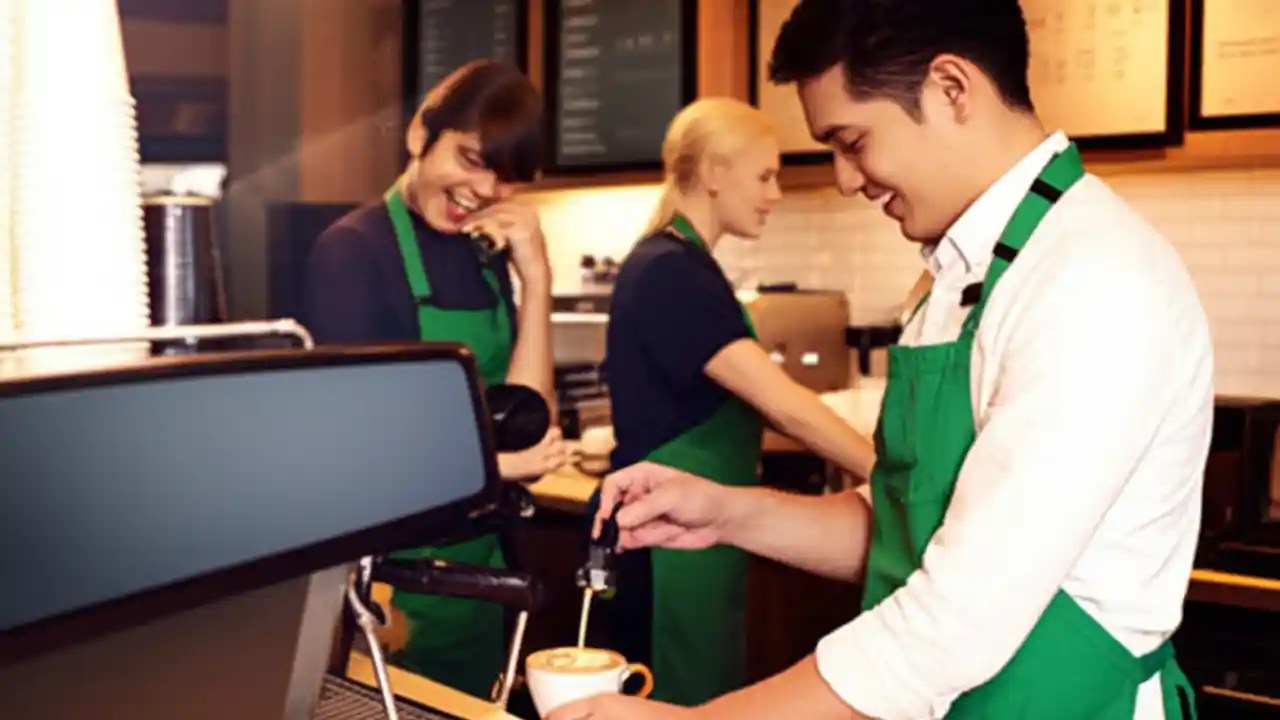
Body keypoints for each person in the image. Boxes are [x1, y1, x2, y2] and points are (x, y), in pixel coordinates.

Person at [551, 0, 1213, 718]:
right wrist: (726, 514)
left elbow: (957, 618)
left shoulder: (1094, 279)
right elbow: (906, 528)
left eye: (852, 140)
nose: (845, 178)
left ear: (951, 88)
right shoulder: (959, 278)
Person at [596, 96, 876, 708]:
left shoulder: (680, 261)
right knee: (676, 702)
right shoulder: (672, 271)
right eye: (765, 175)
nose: (774, 193)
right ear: (715, 172)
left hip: (693, 526)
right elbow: (785, 406)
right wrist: (888, 478)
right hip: (667, 539)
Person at [303, 60, 567, 700]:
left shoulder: (483, 257)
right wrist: (493, 469)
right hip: (392, 587)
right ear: (421, 133)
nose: (485, 189)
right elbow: (352, 451)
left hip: (482, 577)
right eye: (472, 159)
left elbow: (529, 421)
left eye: (506, 177)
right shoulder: (352, 252)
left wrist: (538, 279)